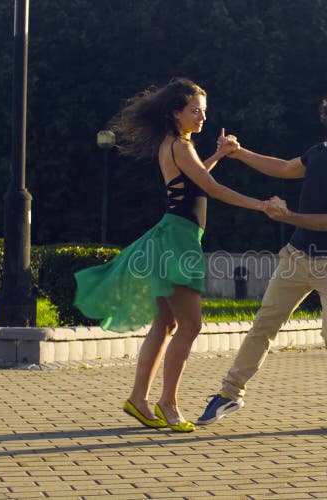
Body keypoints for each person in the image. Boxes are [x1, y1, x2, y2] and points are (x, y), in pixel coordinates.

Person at [73, 78, 279, 432]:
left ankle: (139, 399)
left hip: (171, 234)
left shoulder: (176, 144)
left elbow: (196, 181)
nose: (201, 117)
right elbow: (210, 188)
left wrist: (218, 154)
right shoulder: (181, 146)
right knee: (191, 325)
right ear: (175, 112)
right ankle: (167, 402)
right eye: (194, 111)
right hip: (179, 241)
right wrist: (261, 204)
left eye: (204, 111)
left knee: (167, 324)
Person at [197, 85, 327, 433]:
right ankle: (229, 393)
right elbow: (282, 168)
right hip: (296, 258)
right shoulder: (320, 153)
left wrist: (287, 217)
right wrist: (238, 153)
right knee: (264, 324)